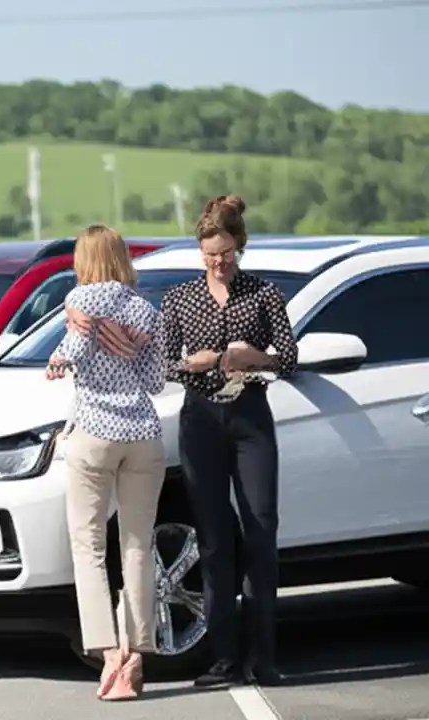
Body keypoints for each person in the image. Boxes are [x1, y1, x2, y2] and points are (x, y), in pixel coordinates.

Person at [160, 195, 297, 688]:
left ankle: (263, 657)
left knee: (261, 533)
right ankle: (221, 657)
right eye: (209, 255)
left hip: (250, 419)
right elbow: (159, 363)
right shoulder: (179, 298)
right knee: (215, 540)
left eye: (225, 253)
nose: (218, 263)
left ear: (240, 245)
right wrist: (193, 363)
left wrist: (257, 356)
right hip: (200, 419)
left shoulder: (264, 294)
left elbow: (291, 356)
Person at [46, 225, 167, 701]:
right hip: (143, 434)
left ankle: (107, 654)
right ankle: (136, 650)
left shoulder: (81, 299)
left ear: (86, 260)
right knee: (137, 545)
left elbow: (74, 350)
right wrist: (129, 349)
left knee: (89, 547)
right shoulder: (144, 309)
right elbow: (156, 380)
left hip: (95, 432)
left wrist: (57, 359)